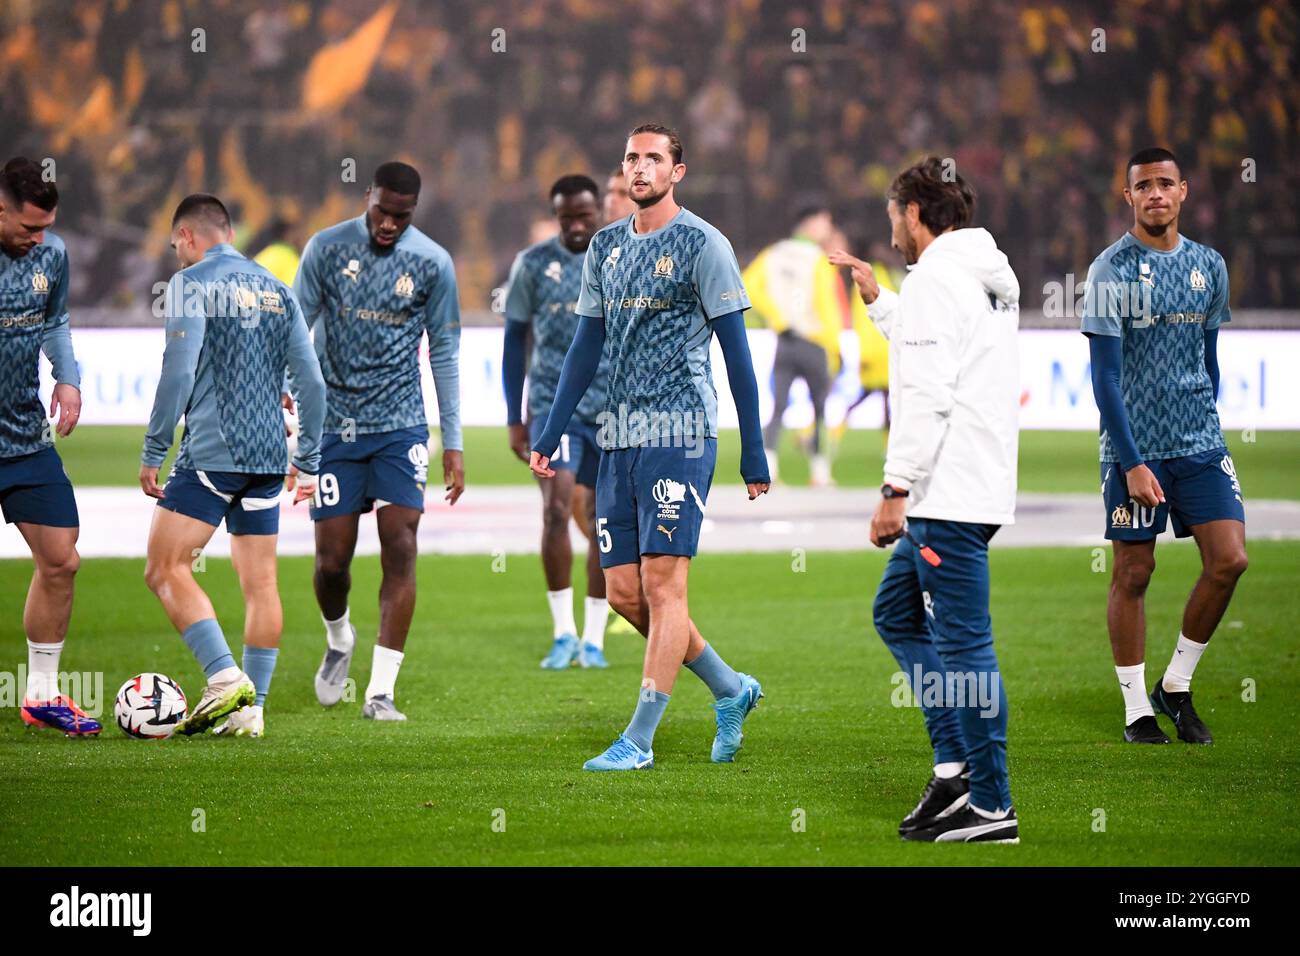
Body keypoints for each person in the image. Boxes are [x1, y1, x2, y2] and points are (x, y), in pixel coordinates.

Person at [530, 124, 770, 771]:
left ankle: (638, 739)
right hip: (617, 437)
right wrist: (550, 431)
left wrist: (754, 449)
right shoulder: (605, 247)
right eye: (632, 158)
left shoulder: (704, 245)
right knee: (624, 595)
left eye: (653, 159)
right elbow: (584, 349)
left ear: (677, 171)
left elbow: (738, 357)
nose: (640, 168)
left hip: (681, 434)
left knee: (664, 587)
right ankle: (730, 688)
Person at [831, 156, 1021, 843]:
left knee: (967, 647)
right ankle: (953, 768)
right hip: (975, 483)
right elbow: (937, 356)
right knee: (897, 612)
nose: (891, 237)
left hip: (946, 492)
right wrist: (880, 302)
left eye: (893, 220)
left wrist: (895, 487)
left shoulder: (940, 279)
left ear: (916, 213)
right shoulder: (977, 275)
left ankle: (992, 804)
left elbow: (930, 393)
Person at [141, 193, 325, 737]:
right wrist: (308, 460)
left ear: (191, 235)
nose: (175, 251)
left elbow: (177, 371)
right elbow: (311, 384)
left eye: (176, 241)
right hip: (270, 453)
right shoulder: (276, 289)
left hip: (213, 453)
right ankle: (252, 711)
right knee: (260, 582)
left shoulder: (191, 283)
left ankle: (224, 678)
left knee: (165, 566)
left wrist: (154, 449)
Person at [1081, 147, 1246, 746]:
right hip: (1135, 448)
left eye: (1165, 184)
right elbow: (1105, 380)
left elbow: (1209, 360)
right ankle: (1136, 710)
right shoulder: (1109, 271)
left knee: (1230, 560)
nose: (1155, 193)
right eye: (1143, 185)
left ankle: (1175, 685)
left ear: (1184, 192)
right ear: (1128, 197)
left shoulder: (1210, 266)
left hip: (1200, 442)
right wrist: (1131, 461)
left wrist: (1208, 421)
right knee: (1135, 569)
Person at [294, 161, 463, 722]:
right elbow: (295, 330)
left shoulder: (433, 263)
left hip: (401, 425)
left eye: (402, 215)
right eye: (381, 210)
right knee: (332, 562)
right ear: (367, 196)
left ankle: (380, 692)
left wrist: (454, 441)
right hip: (335, 426)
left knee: (402, 542)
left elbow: (443, 351)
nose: (389, 224)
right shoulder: (325, 248)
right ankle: (340, 637)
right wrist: (285, 393)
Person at [0, 157, 98, 736]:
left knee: (62, 561)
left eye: (45, 227)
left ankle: (40, 694)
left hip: (22, 433)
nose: (39, 238)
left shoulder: (51, 255)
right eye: (28, 228)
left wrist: (68, 376)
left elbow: (55, 319)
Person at [503, 175, 612, 668]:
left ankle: (594, 638)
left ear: (599, 211)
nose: (574, 226)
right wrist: (514, 417)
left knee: (603, 520)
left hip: (611, 408)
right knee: (555, 509)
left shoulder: (618, 257)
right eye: (565, 217)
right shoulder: (533, 264)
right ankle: (563, 632)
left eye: (583, 217)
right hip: (553, 406)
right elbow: (514, 342)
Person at [745, 206, 844, 486]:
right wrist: (834, 348)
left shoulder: (773, 254)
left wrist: (777, 317)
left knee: (778, 407)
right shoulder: (819, 260)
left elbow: (747, 286)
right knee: (820, 409)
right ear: (809, 223)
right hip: (815, 342)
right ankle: (820, 472)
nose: (827, 228)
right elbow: (828, 307)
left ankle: (769, 469)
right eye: (825, 221)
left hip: (785, 340)